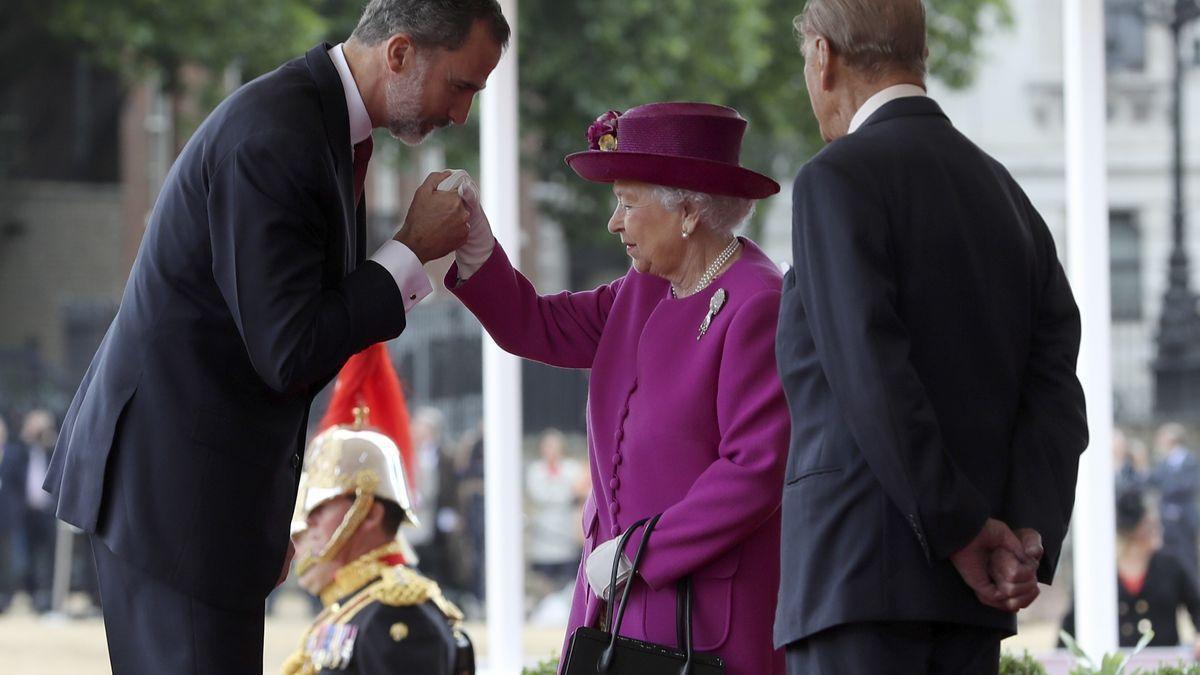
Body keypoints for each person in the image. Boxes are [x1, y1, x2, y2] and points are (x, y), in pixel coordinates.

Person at [40, 1, 510, 672]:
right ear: (400, 53)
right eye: (460, 85)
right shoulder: (279, 134)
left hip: (198, 489)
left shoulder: (315, 123)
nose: (461, 114)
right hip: (175, 497)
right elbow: (288, 350)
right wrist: (407, 251)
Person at [774, 2, 1089, 673]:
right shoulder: (1008, 196)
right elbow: (1056, 386)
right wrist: (1023, 531)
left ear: (823, 56)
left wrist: (960, 528)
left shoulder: (835, 178)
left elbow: (869, 369)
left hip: (858, 581)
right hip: (973, 597)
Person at [447, 101, 790, 673]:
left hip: (704, 621)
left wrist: (640, 551)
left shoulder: (757, 302)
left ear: (687, 210)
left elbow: (755, 470)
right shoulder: (644, 287)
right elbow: (536, 325)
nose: (614, 222)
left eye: (629, 203)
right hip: (614, 605)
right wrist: (475, 242)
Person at [284, 407, 472, 675]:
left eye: (321, 507)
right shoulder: (353, 604)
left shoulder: (398, 613)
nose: (309, 520)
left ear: (370, 514)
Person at [1061, 489, 1200, 657]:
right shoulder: (1100, 572)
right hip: (1114, 664)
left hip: (1163, 664)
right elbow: (1070, 626)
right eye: (1148, 523)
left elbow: (1196, 604)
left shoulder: (1170, 566)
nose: (1156, 526)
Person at [525, 429, 587, 588]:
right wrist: (564, 492)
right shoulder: (535, 470)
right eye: (548, 446)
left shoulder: (571, 468)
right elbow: (539, 494)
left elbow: (577, 490)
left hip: (567, 536)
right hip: (543, 538)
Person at [1149, 423, 1200, 574]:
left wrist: (1169, 487)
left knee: (1188, 557)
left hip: (1185, 519)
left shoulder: (1190, 461)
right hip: (1166, 520)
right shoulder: (1163, 463)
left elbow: (1190, 484)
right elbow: (1154, 481)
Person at [21, 409, 57, 615]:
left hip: (48, 512)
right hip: (27, 513)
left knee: (49, 556)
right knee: (29, 555)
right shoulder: (23, 451)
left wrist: (48, 437)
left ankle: (48, 596)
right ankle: (32, 595)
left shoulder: (52, 450)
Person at [0, 415, 26, 613]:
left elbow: (20, 486)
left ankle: (6, 597)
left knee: (7, 559)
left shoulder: (14, 454)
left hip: (7, 514)